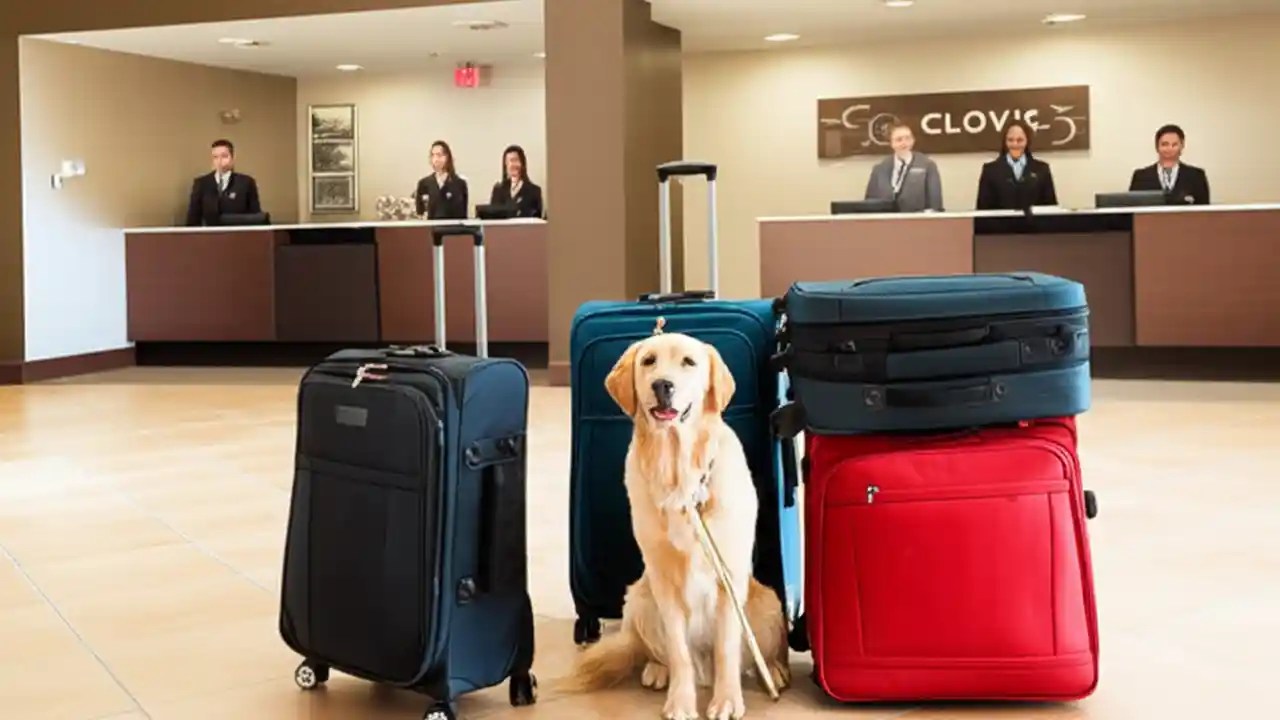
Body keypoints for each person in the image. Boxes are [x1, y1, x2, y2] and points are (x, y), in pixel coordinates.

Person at [975, 119, 1058, 210]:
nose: (1015, 144)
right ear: (1005, 142)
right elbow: (982, 212)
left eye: (1020, 140)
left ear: (1027, 141)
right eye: (1010, 140)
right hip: (1000, 224)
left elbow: (1051, 210)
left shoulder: (1042, 170)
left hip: (1034, 224)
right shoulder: (990, 171)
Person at [863, 122, 943, 212]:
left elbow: (935, 204)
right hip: (886, 223)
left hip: (916, 222)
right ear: (891, 143)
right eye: (899, 139)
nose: (904, 143)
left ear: (913, 140)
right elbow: (869, 204)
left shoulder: (927, 165)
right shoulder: (879, 169)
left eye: (908, 138)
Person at [185, 139, 262, 226]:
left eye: (224, 156)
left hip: (237, 235)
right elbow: (193, 218)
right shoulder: (201, 183)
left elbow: (256, 218)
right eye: (215, 157)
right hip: (210, 236)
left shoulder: (246, 183)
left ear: (232, 158)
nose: (219, 161)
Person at [1128, 124, 1210, 205]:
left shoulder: (1197, 176)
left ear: (1182, 147)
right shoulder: (1140, 177)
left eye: (1174, 145)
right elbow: (1132, 210)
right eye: (1165, 144)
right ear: (1157, 146)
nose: (1169, 149)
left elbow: (1204, 213)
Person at [414, 140, 469, 219]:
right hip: (431, 229)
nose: (435, 159)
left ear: (448, 157)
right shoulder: (424, 183)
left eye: (439, 155)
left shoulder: (459, 184)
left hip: (453, 229)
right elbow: (420, 213)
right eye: (432, 155)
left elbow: (463, 214)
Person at [489, 144, 544, 218]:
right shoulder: (498, 190)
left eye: (515, 160)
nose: (512, 165)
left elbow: (537, 220)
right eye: (509, 161)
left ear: (522, 163)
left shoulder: (534, 191)